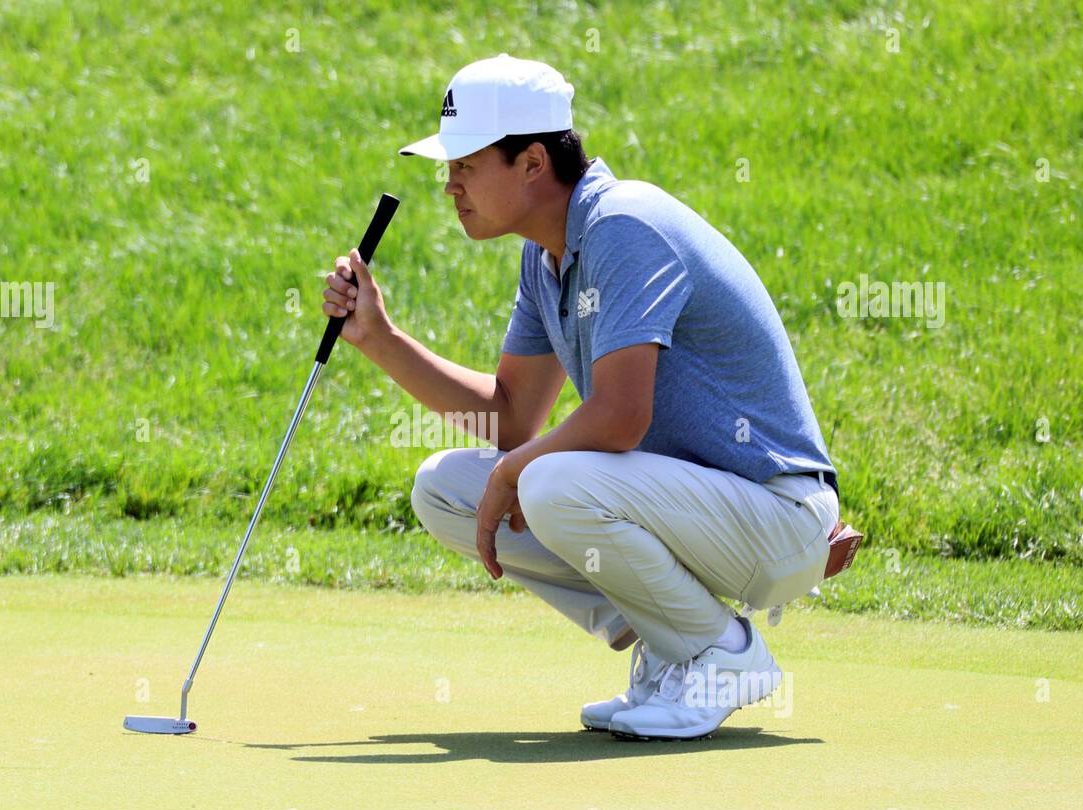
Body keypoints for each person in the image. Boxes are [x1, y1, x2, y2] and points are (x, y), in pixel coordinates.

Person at [322, 54, 840, 740]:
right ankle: (669, 639)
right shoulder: (545, 255)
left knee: (549, 479)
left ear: (533, 163)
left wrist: (518, 469)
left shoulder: (622, 225)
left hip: (776, 516)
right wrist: (380, 340)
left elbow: (622, 418)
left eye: (466, 166)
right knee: (445, 488)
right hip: (695, 511)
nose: (450, 186)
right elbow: (511, 417)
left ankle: (722, 656)